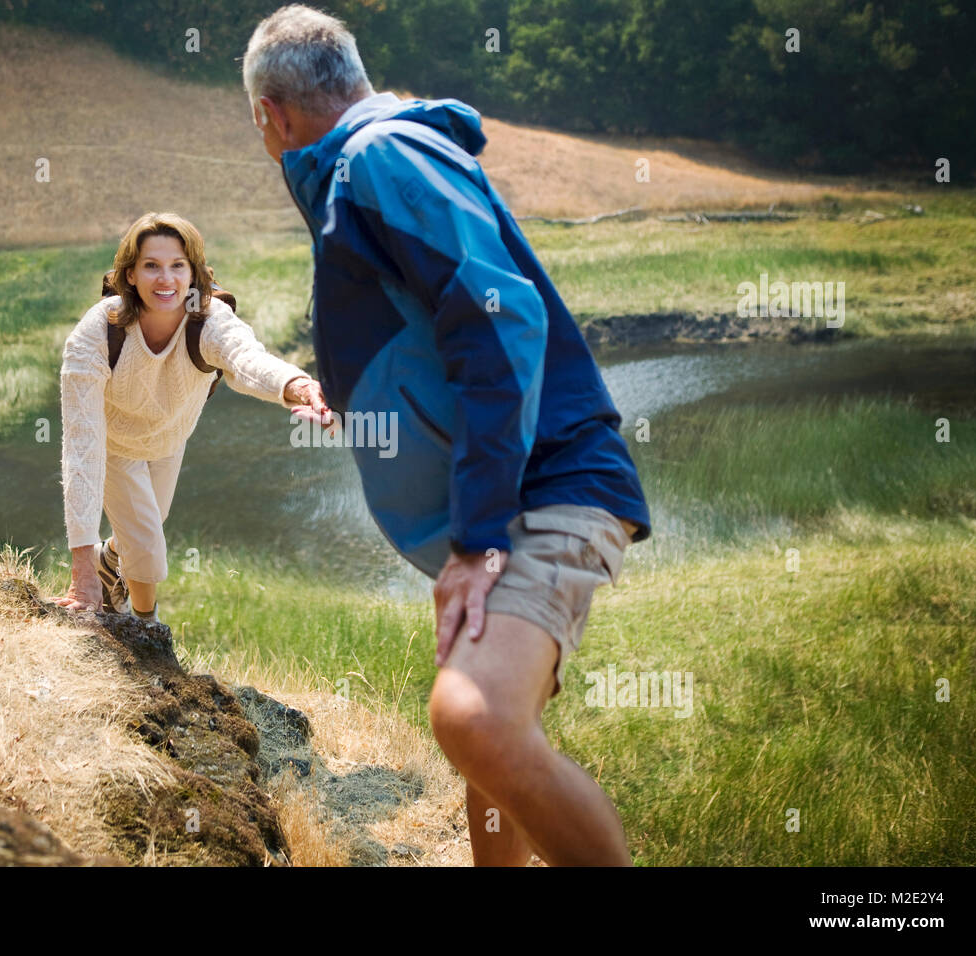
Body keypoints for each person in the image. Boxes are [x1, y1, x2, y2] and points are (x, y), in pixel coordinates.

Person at [242, 5, 652, 866]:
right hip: (512, 496)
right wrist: (364, 405)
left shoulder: (378, 157)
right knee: (484, 739)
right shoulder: (370, 164)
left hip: (546, 488)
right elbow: (430, 338)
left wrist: (475, 540)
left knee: (473, 717)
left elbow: (501, 322)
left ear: (270, 117)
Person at [54, 211, 329, 620]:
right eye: (151, 266)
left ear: (194, 273)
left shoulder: (209, 320)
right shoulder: (99, 332)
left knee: (149, 523)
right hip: (114, 445)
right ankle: (147, 631)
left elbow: (248, 361)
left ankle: (108, 560)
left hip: (168, 440)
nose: (165, 279)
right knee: (147, 548)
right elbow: (82, 446)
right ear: (130, 275)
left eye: (177, 266)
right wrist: (79, 570)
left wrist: (300, 386)